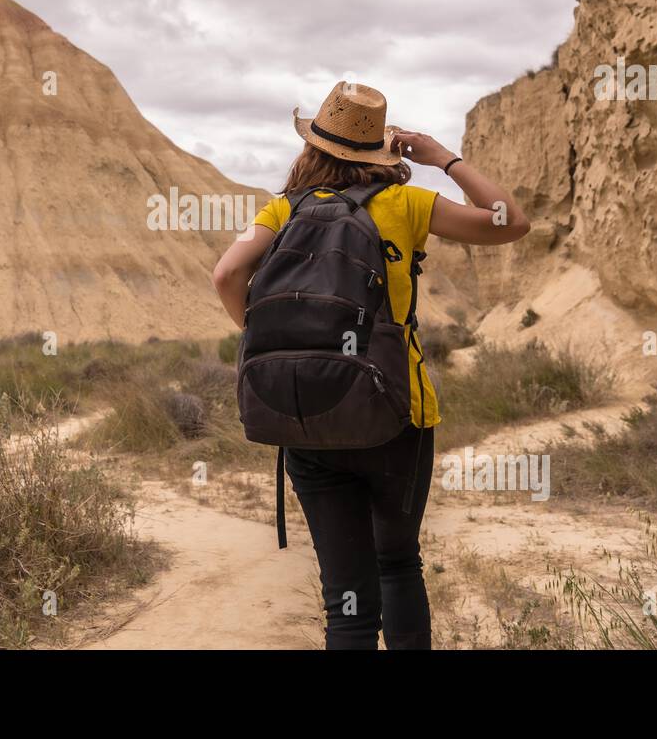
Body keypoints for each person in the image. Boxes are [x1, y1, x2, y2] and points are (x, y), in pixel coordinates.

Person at [211, 81, 531, 649]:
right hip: (394, 414)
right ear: (379, 151)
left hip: (305, 415)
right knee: (398, 564)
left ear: (313, 146)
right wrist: (445, 159)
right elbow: (510, 221)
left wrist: (272, 340)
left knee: (346, 600)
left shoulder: (282, 209)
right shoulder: (406, 205)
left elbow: (226, 276)